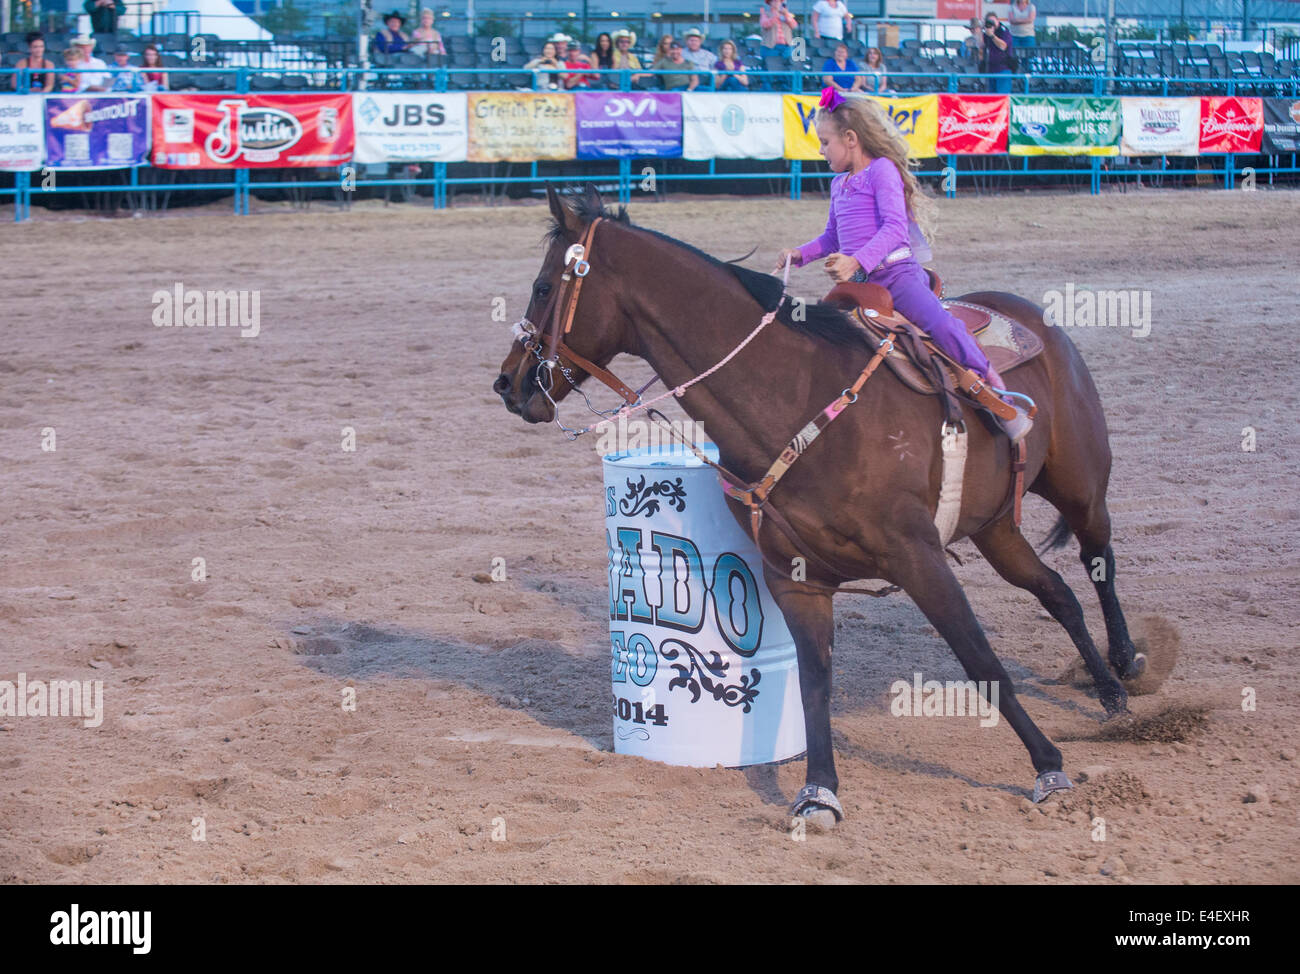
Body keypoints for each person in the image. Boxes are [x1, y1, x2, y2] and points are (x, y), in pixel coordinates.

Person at [774, 89, 1032, 442]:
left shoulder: (883, 171)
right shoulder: (839, 184)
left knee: (940, 324)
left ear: (850, 139)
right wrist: (800, 254)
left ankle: (995, 393)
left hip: (897, 277)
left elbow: (895, 228)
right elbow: (832, 236)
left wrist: (856, 260)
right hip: (859, 284)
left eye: (825, 142)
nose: (821, 150)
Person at [980, 13, 1014, 94]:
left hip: (1003, 68)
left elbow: (1003, 46)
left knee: (1002, 95)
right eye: (989, 21)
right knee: (991, 96)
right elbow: (981, 46)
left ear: (997, 21)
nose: (991, 23)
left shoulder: (1004, 31)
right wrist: (980, 30)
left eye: (993, 21)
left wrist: (992, 36)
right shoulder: (986, 34)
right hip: (990, 69)